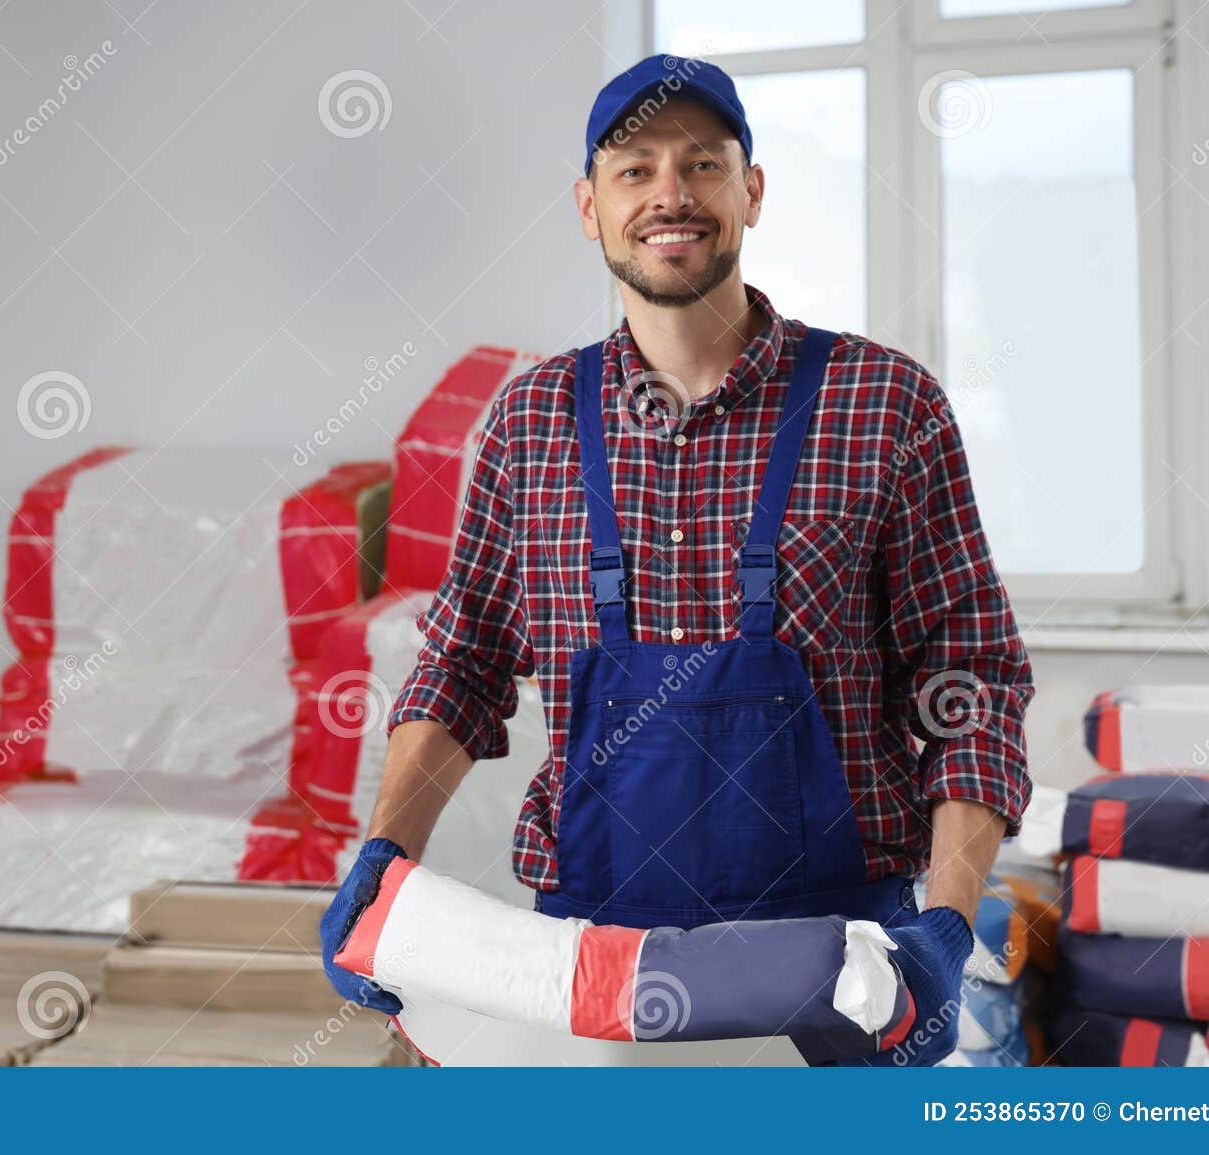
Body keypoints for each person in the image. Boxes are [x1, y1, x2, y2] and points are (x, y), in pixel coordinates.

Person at [320, 54, 1034, 1067]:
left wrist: (948, 926)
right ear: (588, 206)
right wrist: (384, 856)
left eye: (702, 164)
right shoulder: (531, 423)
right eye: (634, 168)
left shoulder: (885, 405)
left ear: (750, 191)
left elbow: (971, 682)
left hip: (837, 968)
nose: (669, 193)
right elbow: (460, 664)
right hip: (589, 960)